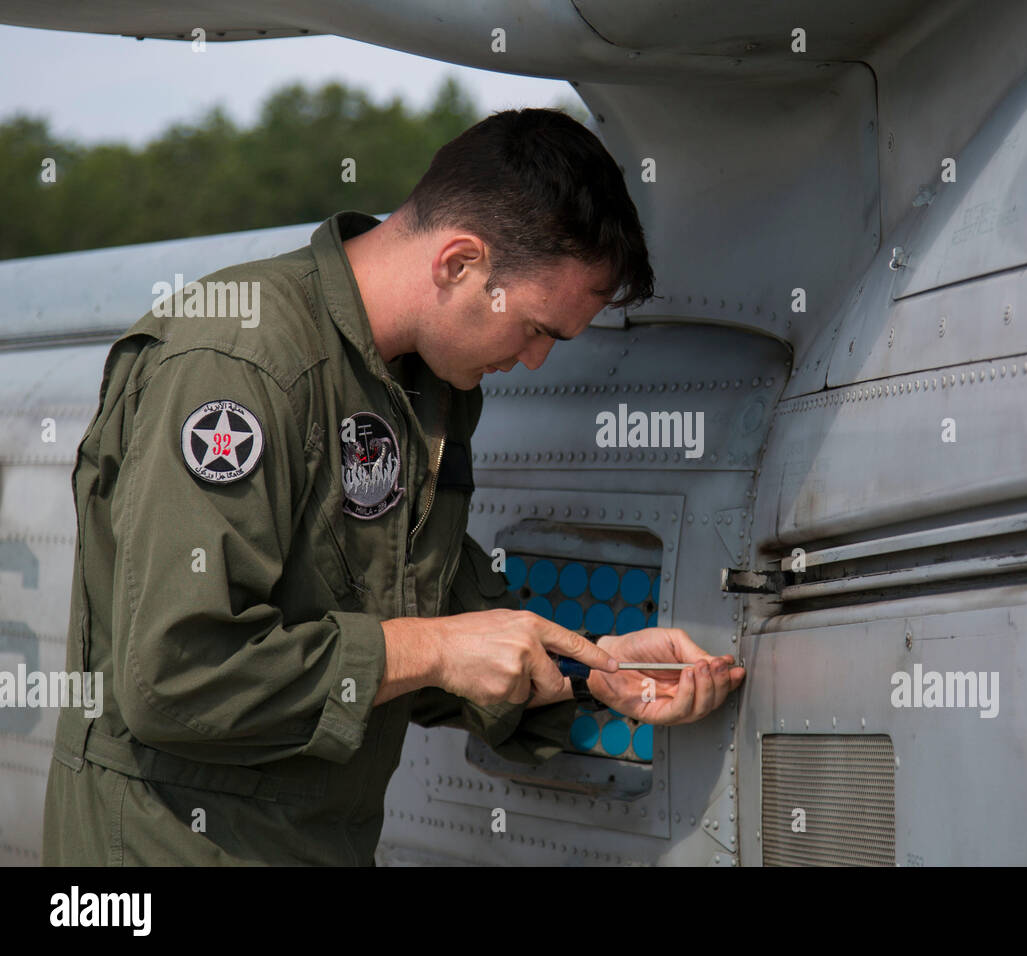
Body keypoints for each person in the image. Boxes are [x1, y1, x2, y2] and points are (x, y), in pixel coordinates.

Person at [43, 108, 745, 866]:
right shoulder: (236, 365)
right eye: (538, 328)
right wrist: (433, 649)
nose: (536, 360)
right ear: (458, 264)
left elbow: (426, 625)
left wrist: (595, 671)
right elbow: (174, 677)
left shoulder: (421, 390)